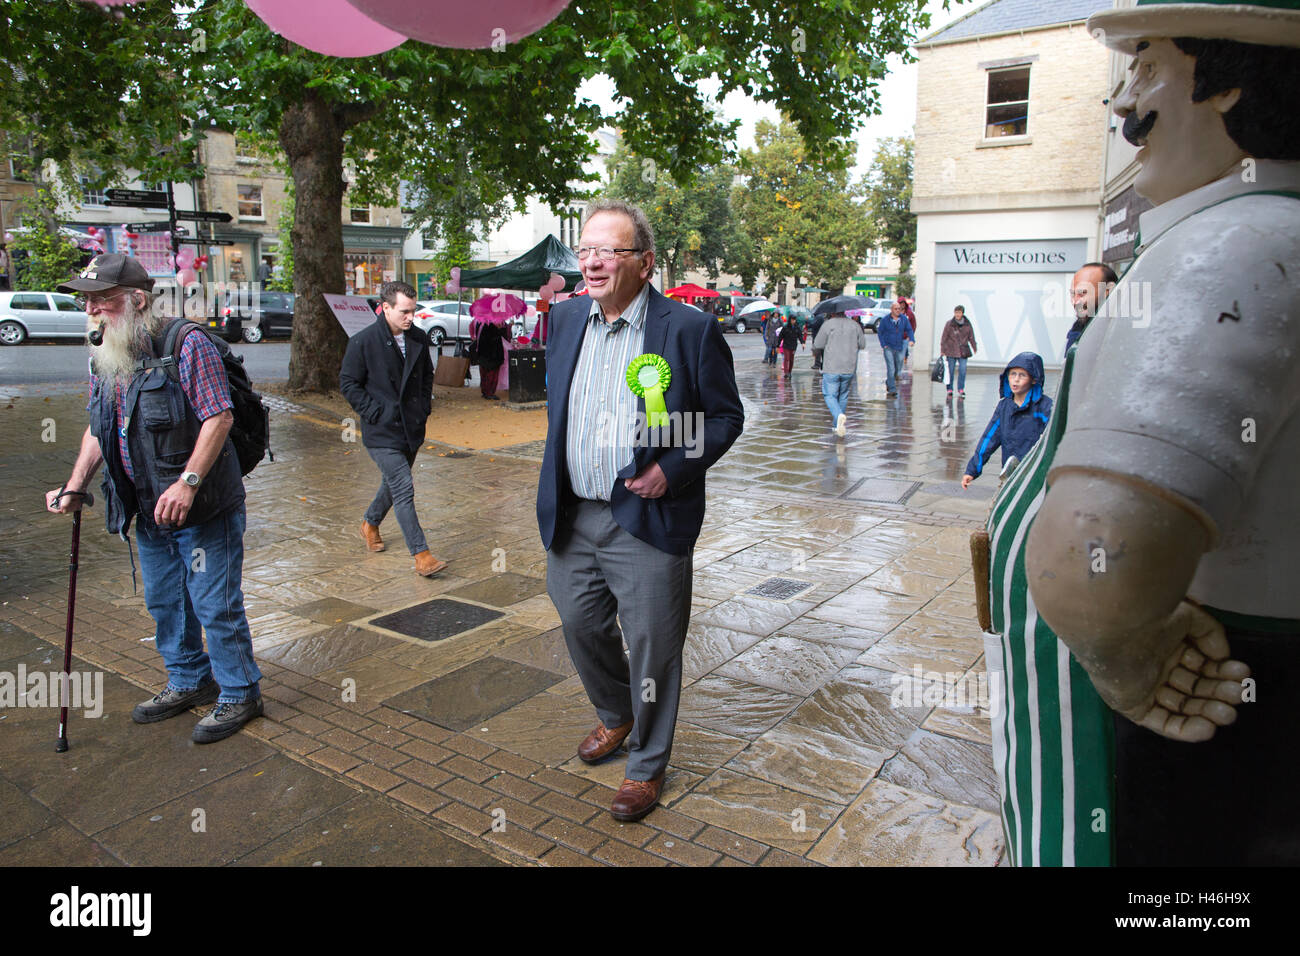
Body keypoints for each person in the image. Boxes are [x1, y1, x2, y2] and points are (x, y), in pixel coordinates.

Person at [986, 0, 1300, 866]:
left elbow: (1100, 555)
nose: (1124, 105)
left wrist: (1126, 652)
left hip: (1185, 739)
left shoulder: (1230, 247)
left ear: (1232, 82)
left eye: (1150, 68)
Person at [536, 199, 744, 823]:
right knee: (579, 624)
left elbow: (723, 417)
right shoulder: (566, 318)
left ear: (644, 263)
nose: (593, 261)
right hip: (574, 513)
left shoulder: (686, 329)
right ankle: (617, 713)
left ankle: (646, 765)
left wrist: (670, 466)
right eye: (587, 249)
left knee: (654, 647)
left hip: (647, 517)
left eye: (610, 251)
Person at [45, 254, 263, 743]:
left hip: (203, 506)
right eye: (87, 300)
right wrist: (76, 485)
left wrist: (187, 482)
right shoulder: (105, 353)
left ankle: (240, 691)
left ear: (138, 299)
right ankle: (190, 679)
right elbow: (100, 427)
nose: (92, 309)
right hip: (145, 506)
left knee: (214, 602)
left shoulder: (187, 344)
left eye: (103, 299)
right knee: (165, 601)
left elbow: (218, 417)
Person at [340, 280, 448, 578]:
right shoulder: (362, 342)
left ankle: (370, 523)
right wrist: (375, 412)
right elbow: (348, 384)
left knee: (393, 484)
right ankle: (422, 555)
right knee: (403, 487)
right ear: (385, 308)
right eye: (404, 312)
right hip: (381, 431)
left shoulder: (419, 338)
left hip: (411, 427)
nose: (410, 317)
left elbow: (427, 376)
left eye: (413, 311)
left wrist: (424, 408)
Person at [961, 351, 1050, 489]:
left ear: (1034, 379)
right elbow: (989, 438)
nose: (1016, 379)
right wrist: (972, 470)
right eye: (1012, 374)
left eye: (1022, 375)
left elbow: (1054, 441)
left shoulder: (1044, 407)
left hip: (1035, 476)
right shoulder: (1004, 406)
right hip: (1010, 476)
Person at [813, 307, 865, 437]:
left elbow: (817, 344)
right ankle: (837, 425)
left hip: (832, 366)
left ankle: (838, 416)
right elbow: (862, 344)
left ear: (833, 312)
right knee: (843, 395)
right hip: (848, 367)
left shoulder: (828, 325)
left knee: (829, 395)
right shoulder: (855, 325)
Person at [1064, 261, 1118, 355]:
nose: (1075, 302)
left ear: (1108, 291)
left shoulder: (1120, 330)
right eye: (1073, 294)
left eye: (1082, 294)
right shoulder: (1080, 325)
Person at [938, 304, 977, 398]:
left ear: (962, 313)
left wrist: (974, 346)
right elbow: (944, 337)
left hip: (963, 351)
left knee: (962, 370)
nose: (957, 314)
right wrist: (942, 349)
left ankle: (961, 388)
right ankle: (949, 388)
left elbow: (971, 336)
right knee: (950, 371)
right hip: (951, 350)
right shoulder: (949, 324)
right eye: (956, 312)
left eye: (959, 312)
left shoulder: (967, 324)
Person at [876, 300, 914, 397]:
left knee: (898, 367)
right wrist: (883, 344)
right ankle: (892, 389)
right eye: (896, 309)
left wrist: (912, 339)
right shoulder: (885, 320)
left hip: (899, 346)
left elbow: (909, 329)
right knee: (891, 368)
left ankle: (889, 381)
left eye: (899, 309)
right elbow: (880, 332)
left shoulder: (904, 319)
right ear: (891, 310)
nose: (898, 311)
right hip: (888, 346)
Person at [474, 316, 506, 400]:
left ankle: (485, 391)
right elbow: (498, 336)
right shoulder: (492, 325)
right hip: (492, 354)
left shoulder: (480, 322)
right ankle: (489, 392)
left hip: (483, 352)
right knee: (492, 373)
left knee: (484, 373)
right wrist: (501, 329)